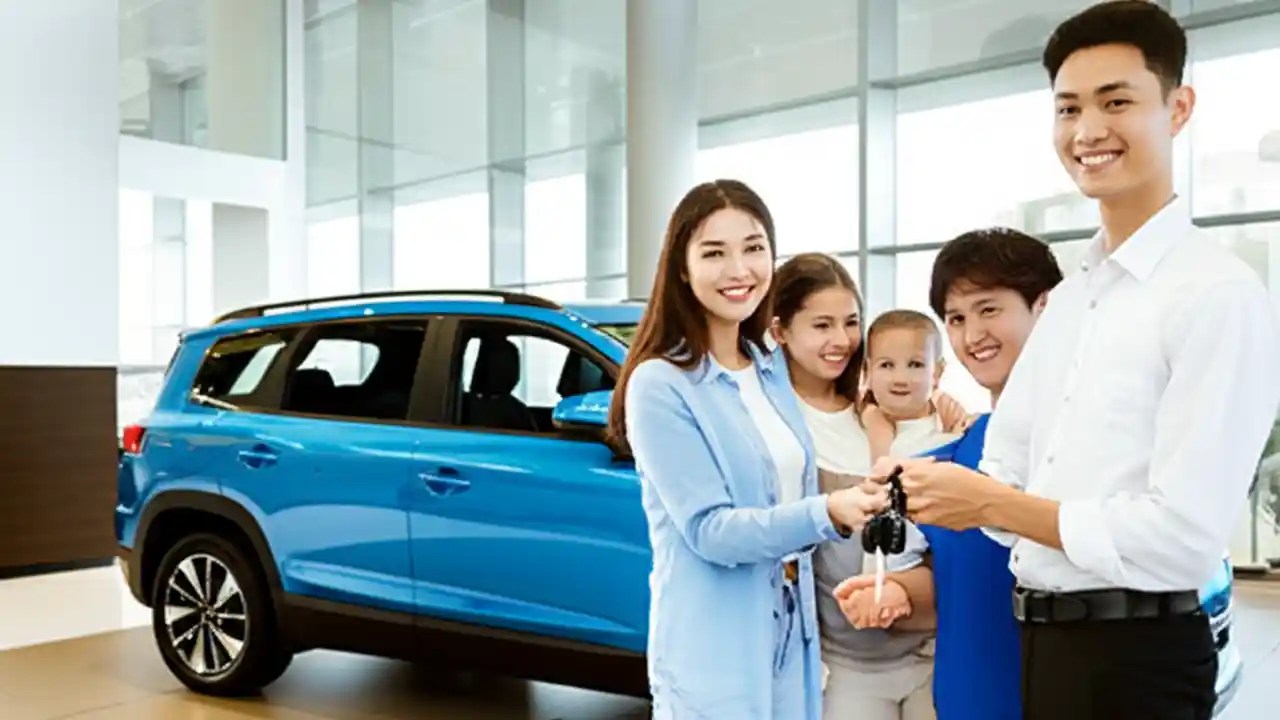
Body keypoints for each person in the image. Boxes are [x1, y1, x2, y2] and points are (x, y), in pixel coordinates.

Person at [873, 3, 1280, 718]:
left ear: (1178, 108)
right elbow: (1006, 471)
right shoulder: (1073, 300)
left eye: (1116, 102)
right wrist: (939, 488)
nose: (1087, 131)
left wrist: (994, 502)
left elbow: (1182, 540)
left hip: (1140, 656)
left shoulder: (1217, 294)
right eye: (1068, 109)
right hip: (1041, 646)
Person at [607, 180, 890, 719]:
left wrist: (930, 407)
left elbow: (840, 388)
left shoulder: (769, 368)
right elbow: (710, 531)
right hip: (714, 644)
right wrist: (827, 513)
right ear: (682, 268)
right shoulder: (660, 384)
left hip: (793, 632)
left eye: (754, 247)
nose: (740, 269)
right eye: (715, 252)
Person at [836, 228, 1064, 720]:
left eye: (988, 309)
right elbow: (952, 585)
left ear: (1043, 309)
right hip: (964, 695)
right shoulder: (956, 453)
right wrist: (892, 594)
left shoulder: (1081, 442)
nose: (971, 335)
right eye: (956, 318)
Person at [770, 255, 963, 720]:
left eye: (851, 322)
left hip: (928, 649)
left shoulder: (881, 410)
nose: (841, 340)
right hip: (841, 662)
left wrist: (940, 407)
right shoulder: (774, 417)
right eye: (821, 325)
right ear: (780, 331)